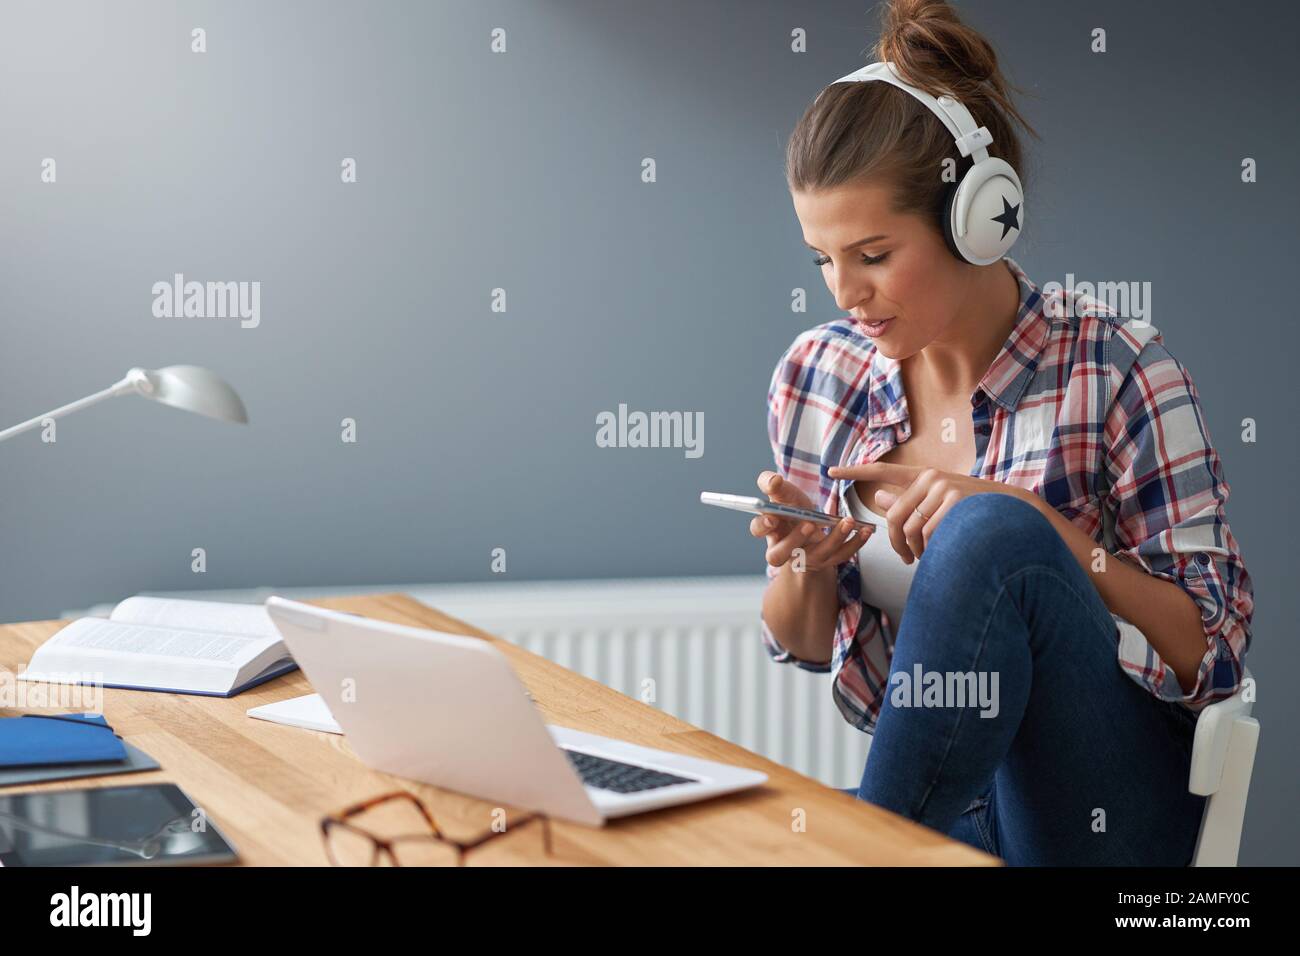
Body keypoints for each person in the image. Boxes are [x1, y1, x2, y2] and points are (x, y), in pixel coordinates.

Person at [754, 0, 1253, 865]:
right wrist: (803, 560)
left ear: (977, 221)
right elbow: (799, 643)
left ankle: (875, 853)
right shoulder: (817, 375)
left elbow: (1212, 647)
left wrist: (1039, 530)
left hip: (1100, 810)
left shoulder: (1117, 365)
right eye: (822, 259)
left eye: (872, 255)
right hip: (945, 804)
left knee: (993, 533)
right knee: (726, 835)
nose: (844, 292)